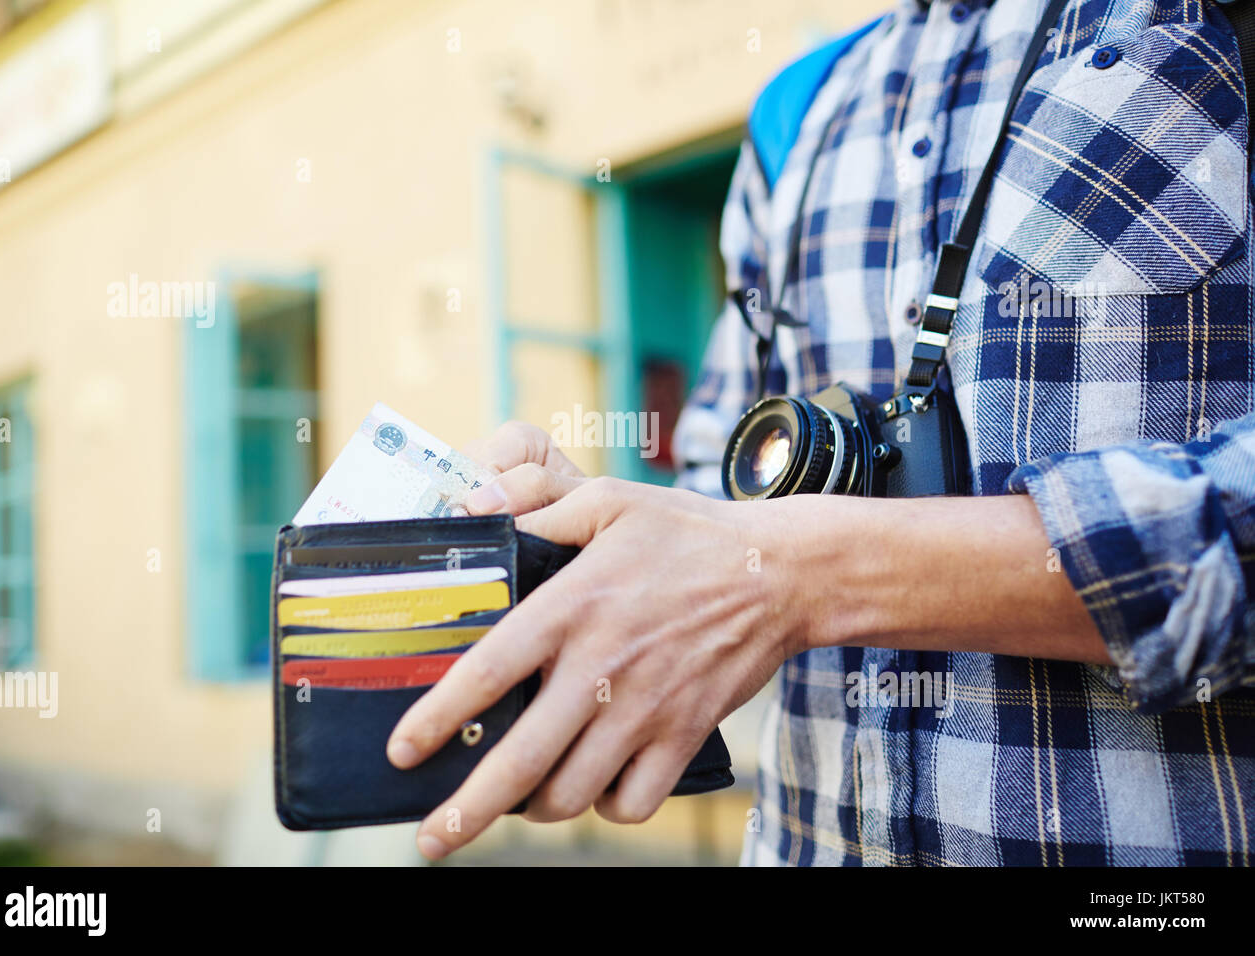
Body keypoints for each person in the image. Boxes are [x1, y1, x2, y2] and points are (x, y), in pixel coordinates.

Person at [387, 0, 1255, 866]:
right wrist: (598, 546)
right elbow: (725, 482)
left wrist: (812, 574)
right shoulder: (795, 109)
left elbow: (766, 558)